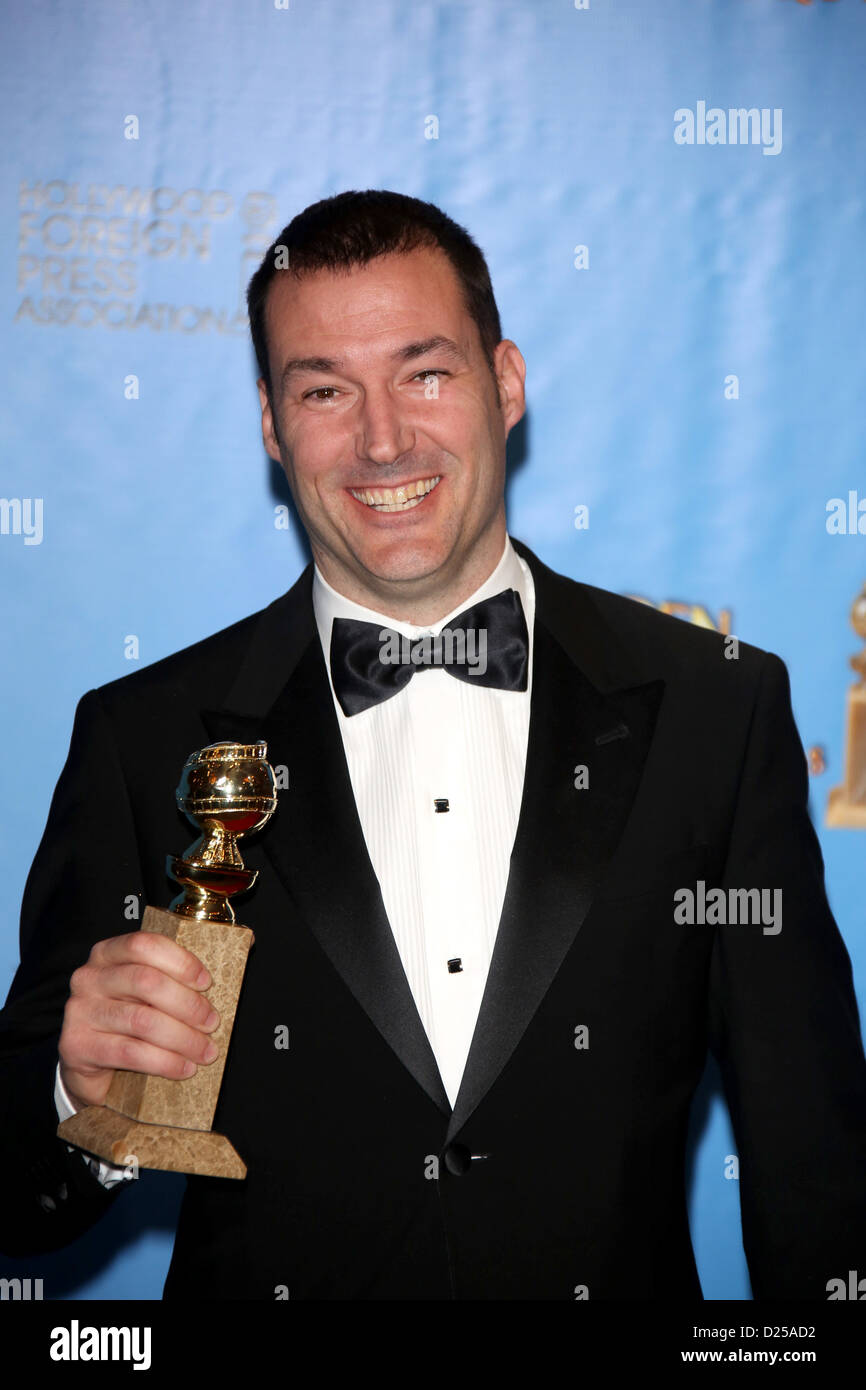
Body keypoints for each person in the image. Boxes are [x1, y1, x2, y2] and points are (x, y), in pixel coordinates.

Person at [1, 189, 864, 1300]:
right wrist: (77, 1097)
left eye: (424, 373)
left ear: (505, 383)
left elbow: (811, 1159)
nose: (382, 440)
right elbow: (16, 1192)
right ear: (270, 423)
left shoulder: (717, 708)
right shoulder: (143, 735)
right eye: (324, 389)